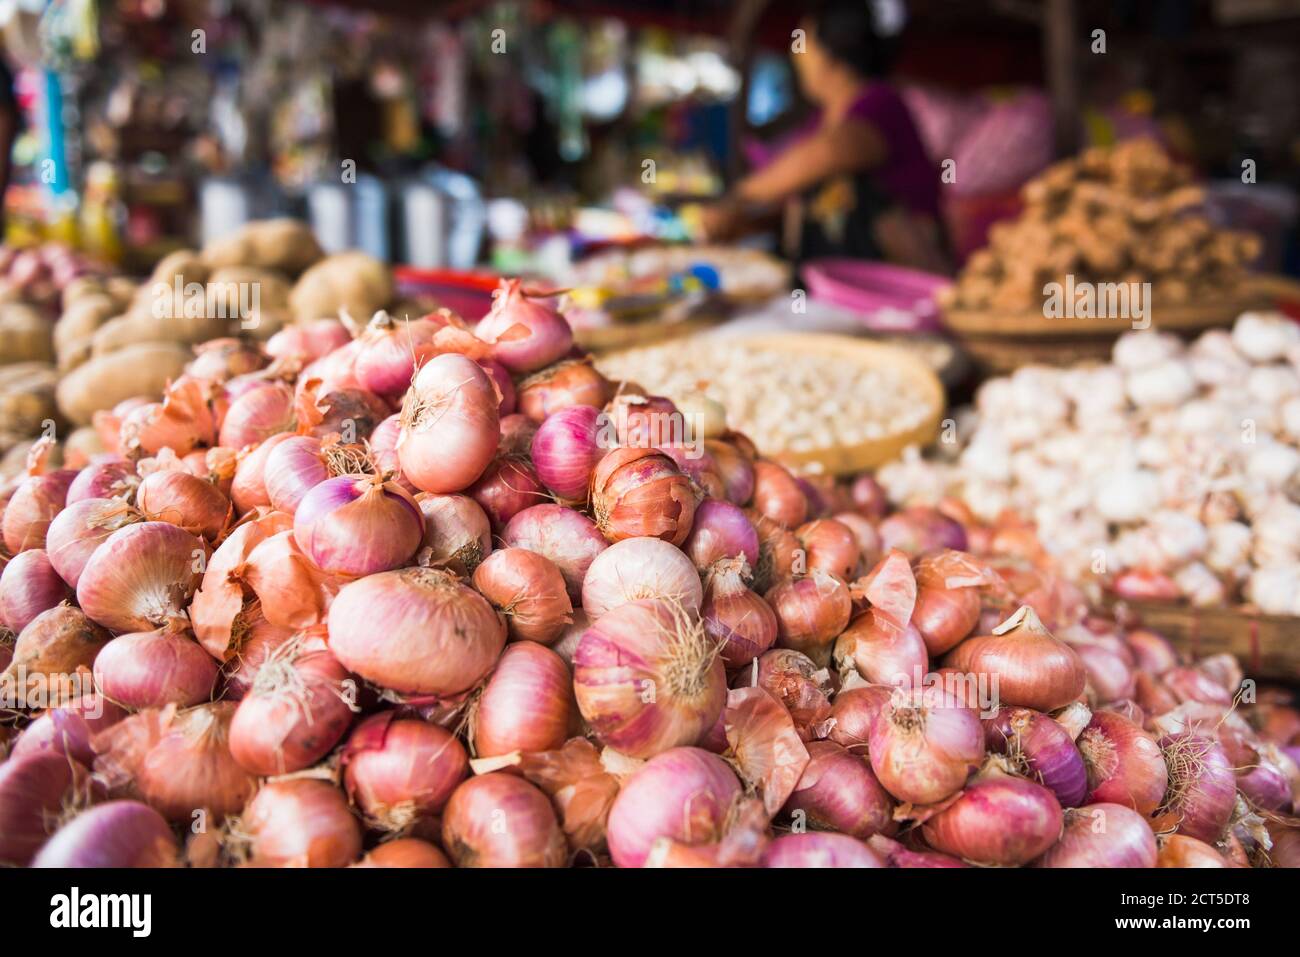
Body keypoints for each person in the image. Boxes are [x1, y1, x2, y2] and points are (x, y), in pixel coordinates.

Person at [700, 0, 948, 273]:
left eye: (804, 43)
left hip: (904, 288)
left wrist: (741, 195)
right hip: (836, 287)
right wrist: (742, 222)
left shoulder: (881, 104)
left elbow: (826, 155)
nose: (797, 55)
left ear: (829, 54)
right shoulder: (822, 120)